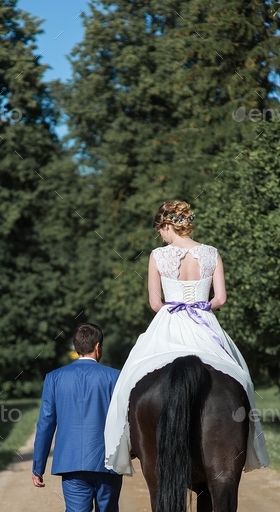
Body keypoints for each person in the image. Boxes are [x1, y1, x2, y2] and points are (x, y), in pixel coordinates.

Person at [104, 199, 269, 475]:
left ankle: (131, 442)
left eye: (160, 230)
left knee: (129, 379)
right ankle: (248, 437)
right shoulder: (211, 253)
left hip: (169, 321)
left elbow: (155, 304)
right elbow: (221, 298)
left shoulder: (158, 256)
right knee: (243, 378)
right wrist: (202, 306)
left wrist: (176, 305)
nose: (161, 236)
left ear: (167, 225)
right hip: (205, 323)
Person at [32, 323, 122, 512]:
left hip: (70, 464)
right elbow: (125, 421)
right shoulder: (114, 377)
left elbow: (46, 422)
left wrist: (38, 466)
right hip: (107, 463)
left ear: (76, 347)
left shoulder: (55, 378)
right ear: (97, 347)